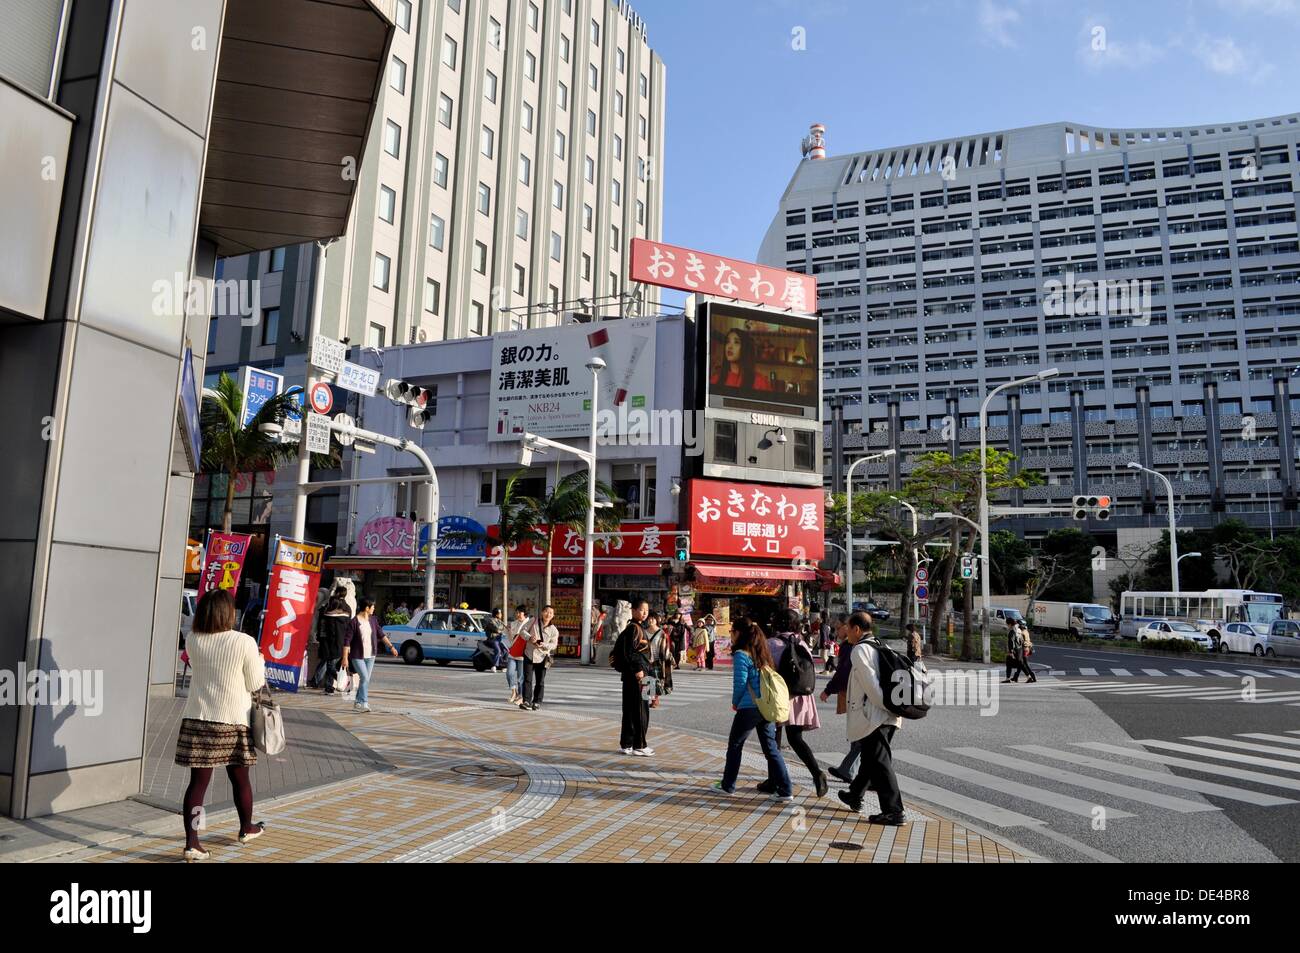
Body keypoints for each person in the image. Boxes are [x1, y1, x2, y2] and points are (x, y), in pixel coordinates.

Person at [175, 589, 268, 862]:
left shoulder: (193, 639)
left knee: (197, 784)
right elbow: (254, 684)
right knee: (240, 779)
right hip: (232, 720)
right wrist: (260, 661)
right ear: (229, 613)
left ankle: (192, 843)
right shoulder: (244, 642)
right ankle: (246, 828)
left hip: (198, 718)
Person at [837, 611, 906, 825]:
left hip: (876, 716)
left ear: (857, 629)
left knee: (880, 762)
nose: (845, 631)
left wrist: (883, 708)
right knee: (870, 758)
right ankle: (855, 795)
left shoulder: (859, 650)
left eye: (847, 627)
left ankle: (894, 811)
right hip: (886, 713)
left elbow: (871, 685)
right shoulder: (879, 645)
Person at [713, 617, 793, 800]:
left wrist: (735, 702)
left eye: (732, 631)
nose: (731, 635)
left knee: (735, 745)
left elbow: (740, 684)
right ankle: (786, 790)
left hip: (749, 707)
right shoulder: (761, 653)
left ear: (739, 633)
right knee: (771, 748)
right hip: (766, 706)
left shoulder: (742, 654)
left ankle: (728, 785)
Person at [769, 609, 828, 797]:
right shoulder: (802, 642)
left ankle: (774, 780)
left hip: (780, 696)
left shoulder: (772, 644)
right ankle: (817, 773)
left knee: (773, 739)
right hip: (801, 696)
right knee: (795, 739)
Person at [819, 614, 871, 784]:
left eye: (843, 627)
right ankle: (857, 775)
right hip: (864, 696)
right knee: (860, 735)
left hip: (859, 696)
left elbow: (844, 672)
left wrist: (828, 690)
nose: (841, 631)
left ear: (855, 628)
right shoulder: (872, 643)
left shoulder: (852, 647)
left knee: (860, 736)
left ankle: (850, 771)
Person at [341, 596, 399, 713]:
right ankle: (364, 702)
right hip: (357, 656)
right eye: (373, 607)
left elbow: (381, 635)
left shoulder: (373, 620)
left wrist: (391, 647)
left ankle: (358, 703)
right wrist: (345, 658)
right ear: (367, 608)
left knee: (365, 680)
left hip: (371, 655)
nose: (374, 609)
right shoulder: (354, 622)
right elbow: (347, 641)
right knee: (365, 678)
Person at [615, 599, 654, 756]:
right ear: (633, 611)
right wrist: (637, 669)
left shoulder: (637, 628)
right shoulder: (634, 629)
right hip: (639, 675)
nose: (645, 613)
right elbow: (631, 653)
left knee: (631, 710)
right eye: (641, 609)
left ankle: (627, 744)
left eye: (647, 610)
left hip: (641, 675)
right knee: (640, 710)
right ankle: (640, 744)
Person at [710, 327, 774, 393]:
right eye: (727, 342)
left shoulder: (760, 382)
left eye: (736, 342)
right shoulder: (716, 379)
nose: (730, 346)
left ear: (745, 348)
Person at [520, 605, 559, 711]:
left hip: (543, 657)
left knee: (540, 681)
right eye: (546, 611)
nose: (548, 614)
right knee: (527, 679)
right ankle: (526, 701)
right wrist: (529, 637)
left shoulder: (554, 630)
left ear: (553, 616)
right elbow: (522, 632)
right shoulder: (533, 621)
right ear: (542, 612)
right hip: (529, 653)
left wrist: (544, 645)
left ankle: (537, 701)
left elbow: (554, 645)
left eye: (551, 613)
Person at [315, 596, 351, 694]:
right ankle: (329, 687)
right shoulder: (346, 617)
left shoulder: (327, 617)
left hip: (331, 646)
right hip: (342, 645)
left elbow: (326, 633)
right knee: (332, 665)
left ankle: (346, 683)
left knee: (331, 666)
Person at [505, 605, 531, 704]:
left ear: (525, 613)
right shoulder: (513, 623)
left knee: (521, 677)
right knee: (509, 673)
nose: (517, 614)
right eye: (516, 612)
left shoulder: (529, 623)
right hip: (513, 651)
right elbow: (510, 637)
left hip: (523, 653)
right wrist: (507, 630)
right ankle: (513, 692)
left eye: (519, 612)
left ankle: (521, 696)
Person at [483, 607, 506, 673]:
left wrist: (501, 629)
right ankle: (494, 666)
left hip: (499, 640)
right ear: (496, 614)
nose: (501, 614)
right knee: (498, 650)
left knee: (506, 651)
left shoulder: (499, 621)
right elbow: (497, 629)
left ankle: (503, 665)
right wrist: (501, 629)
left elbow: (503, 628)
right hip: (492, 639)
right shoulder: (491, 621)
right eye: (500, 613)